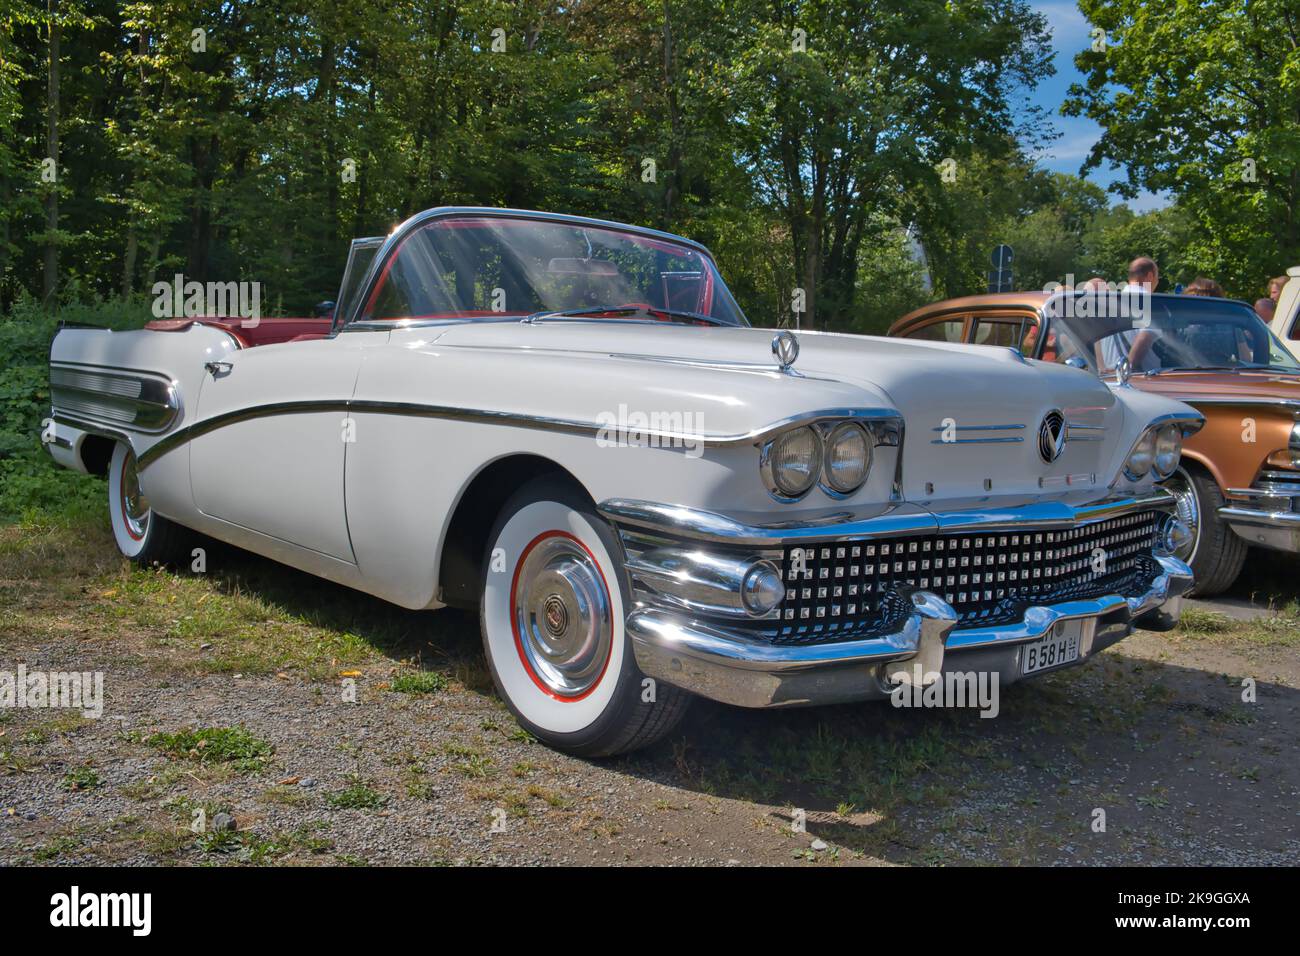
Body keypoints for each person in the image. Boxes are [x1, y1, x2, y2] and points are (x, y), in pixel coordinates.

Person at [1099, 257, 1159, 373]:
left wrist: (1102, 371)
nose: (1157, 281)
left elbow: (1098, 341)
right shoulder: (1150, 302)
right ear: (1150, 276)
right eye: (1157, 277)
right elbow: (1145, 336)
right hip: (1141, 377)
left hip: (1108, 376)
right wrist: (1125, 372)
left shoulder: (1109, 303)